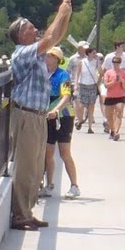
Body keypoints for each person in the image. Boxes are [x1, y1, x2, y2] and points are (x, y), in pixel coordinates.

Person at [5, 0, 74, 232]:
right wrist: (60, 13)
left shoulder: (35, 53)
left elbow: (56, 37)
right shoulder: (22, 53)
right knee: (25, 167)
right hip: (26, 116)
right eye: (30, 28)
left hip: (37, 116)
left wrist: (65, 16)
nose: (35, 30)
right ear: (20, 35)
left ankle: (27, 211)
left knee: (35, 168)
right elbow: (51, 39)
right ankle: (19, 215)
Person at [42, 48, 79, 199]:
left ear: (57, 59)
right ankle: (49, 185)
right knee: (48, 152)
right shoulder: (43, 74)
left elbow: (66, 96)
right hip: (47, 117)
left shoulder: (63, 75)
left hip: (63, 117)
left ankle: (74, 186)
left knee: (64, 152)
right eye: (46, 55)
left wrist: (56, 110)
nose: (47, 58)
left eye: (50, 56)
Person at [71, 41, 101, 132]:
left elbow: (101, 72)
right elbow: (77, 73)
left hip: (92, 85)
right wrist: (76, 84)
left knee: (91, 106)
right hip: (83, 85)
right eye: (93, 53)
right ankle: (80, 120)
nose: (95, 55)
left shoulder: (96, 62)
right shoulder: (82, 62)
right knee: (81, 105)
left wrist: (99, 61)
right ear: (89, 53)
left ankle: (90, 127)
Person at [100, 49, 125, 141]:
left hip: (120, 96)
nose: (116, 64)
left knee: (119, 112)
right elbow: (106, 85)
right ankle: (112, 130)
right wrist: (113, 81)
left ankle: (116, 131)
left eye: (117, 63)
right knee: (109, 115)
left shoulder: (123, 73)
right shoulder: (108, 73)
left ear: (120, 63)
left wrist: (121, 80)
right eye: (114, 63)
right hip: (110, 96)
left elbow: (124, 87)